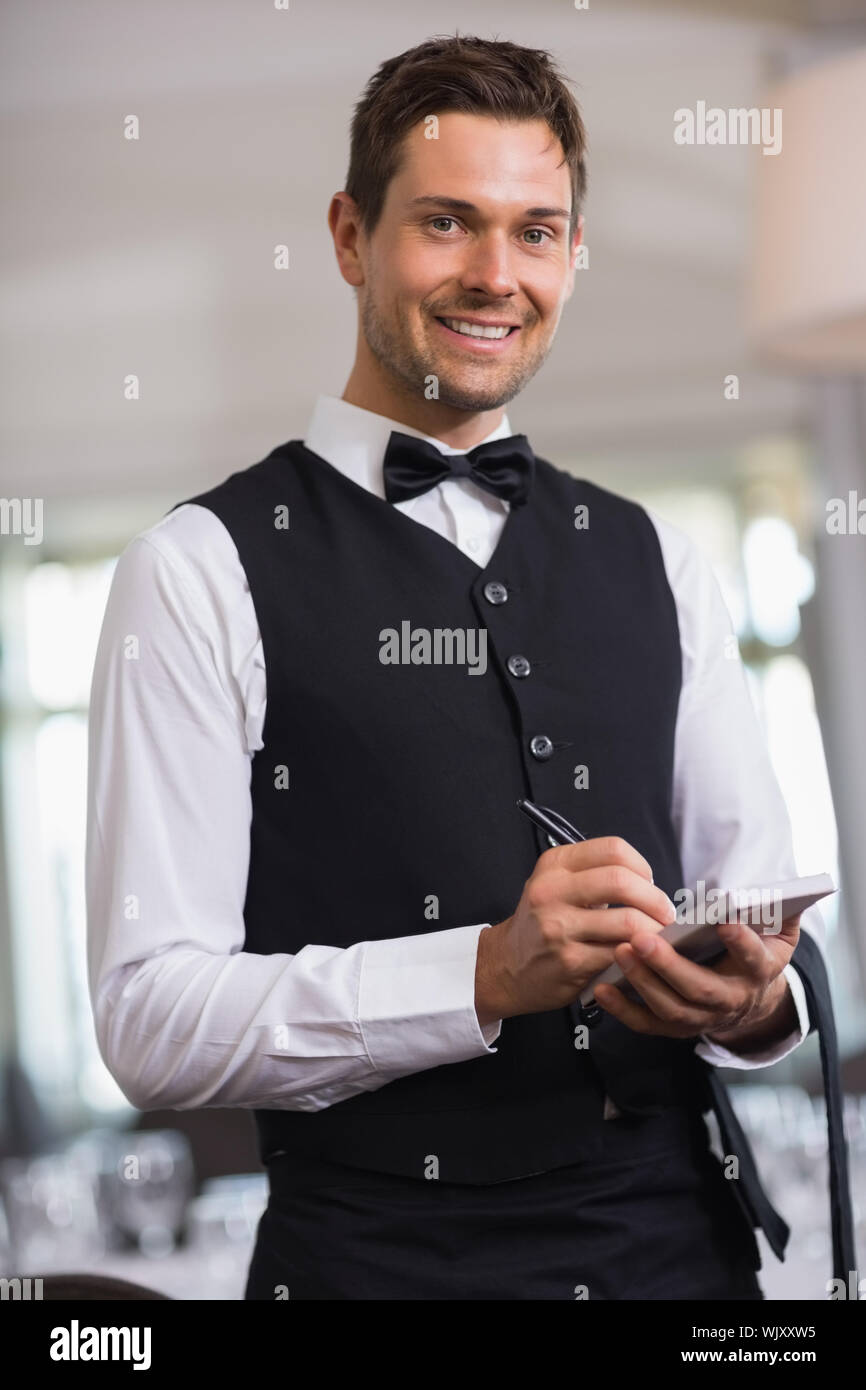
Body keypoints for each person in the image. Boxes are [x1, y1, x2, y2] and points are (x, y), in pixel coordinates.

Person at [86, 34, 825, 1301]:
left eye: (536, 231)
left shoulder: (662, 559)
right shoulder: (197, 570)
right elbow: (147, 1019)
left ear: (572, 254)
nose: (497, 275)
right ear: (346, 235)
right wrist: (477, 972)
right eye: (446, 222)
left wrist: (752, 1002)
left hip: (686, 1262)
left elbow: (754, 909)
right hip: (375, 1272)